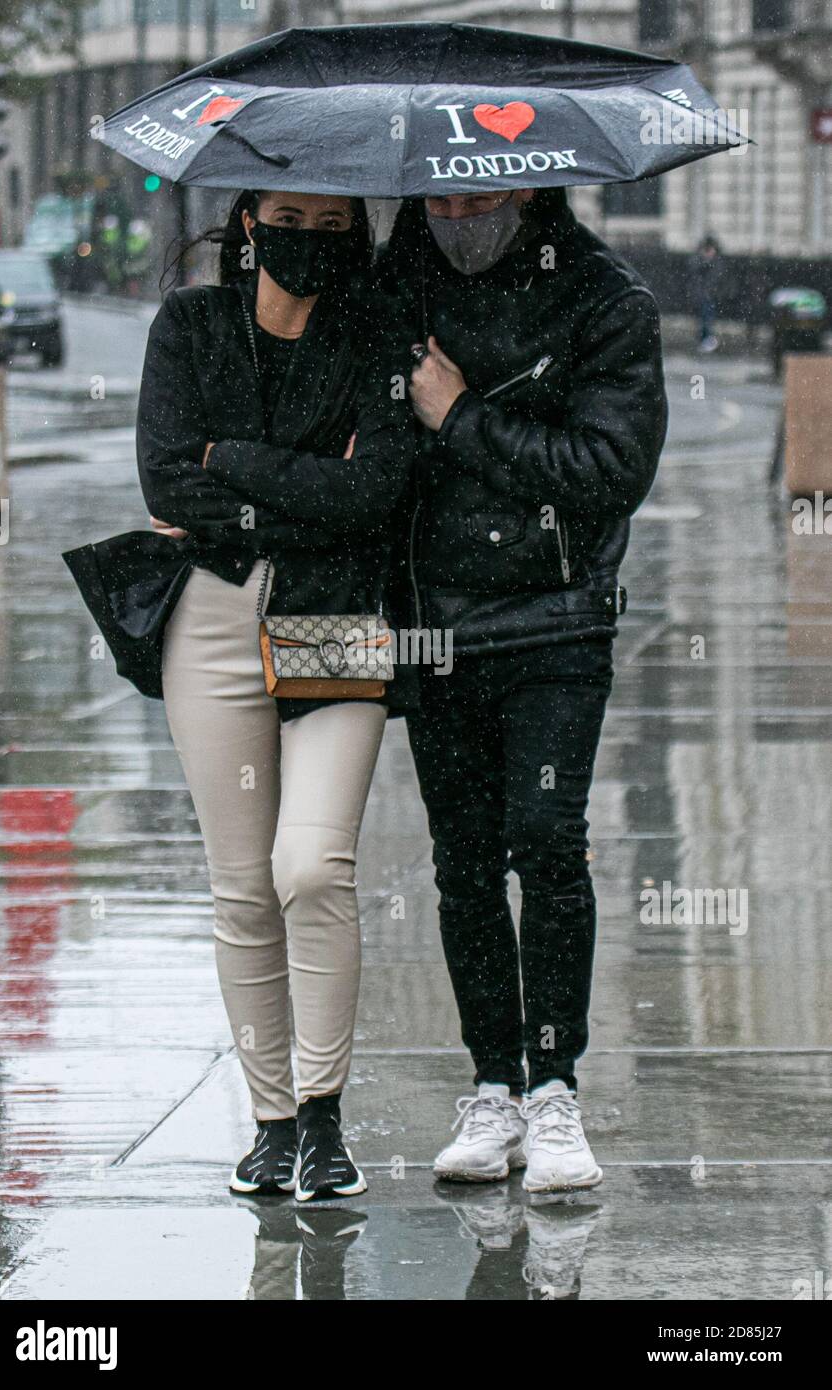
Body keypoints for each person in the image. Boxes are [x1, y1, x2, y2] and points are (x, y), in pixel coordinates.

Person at [378, 186, 667, 1191]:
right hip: (431, 622)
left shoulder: (602, 299)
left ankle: (553, 1088)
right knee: (460, 861)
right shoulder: (392, 289)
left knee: (544, 842)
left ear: (535, 185)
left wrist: (457, 417)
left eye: (483, 193)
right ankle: (490, 1083)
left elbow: (605, 468)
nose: (461, 214)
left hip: (555, 618)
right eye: (442, 195)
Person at [140, 188, 414, 1202]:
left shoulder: (377, 332)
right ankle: (270, 1125)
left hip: (335, 618)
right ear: (249, 220)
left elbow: (376, 492)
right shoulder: (190, 326)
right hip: (208, 623)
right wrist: (304, 481)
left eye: (335, 220)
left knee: (311, 866)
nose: (313, 236)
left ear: (356, 230)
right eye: (291, 214)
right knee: (242, 885)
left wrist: (234, 465)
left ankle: (324, 1113)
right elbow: (167, 483)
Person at [691, 233, 723, 352]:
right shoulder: (699, 260)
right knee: (703, 320)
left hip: (710, 296)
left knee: (707, 319)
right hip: (702, 295)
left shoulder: (717, 262)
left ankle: (707, 340)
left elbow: (717, 279)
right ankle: (704, 340)